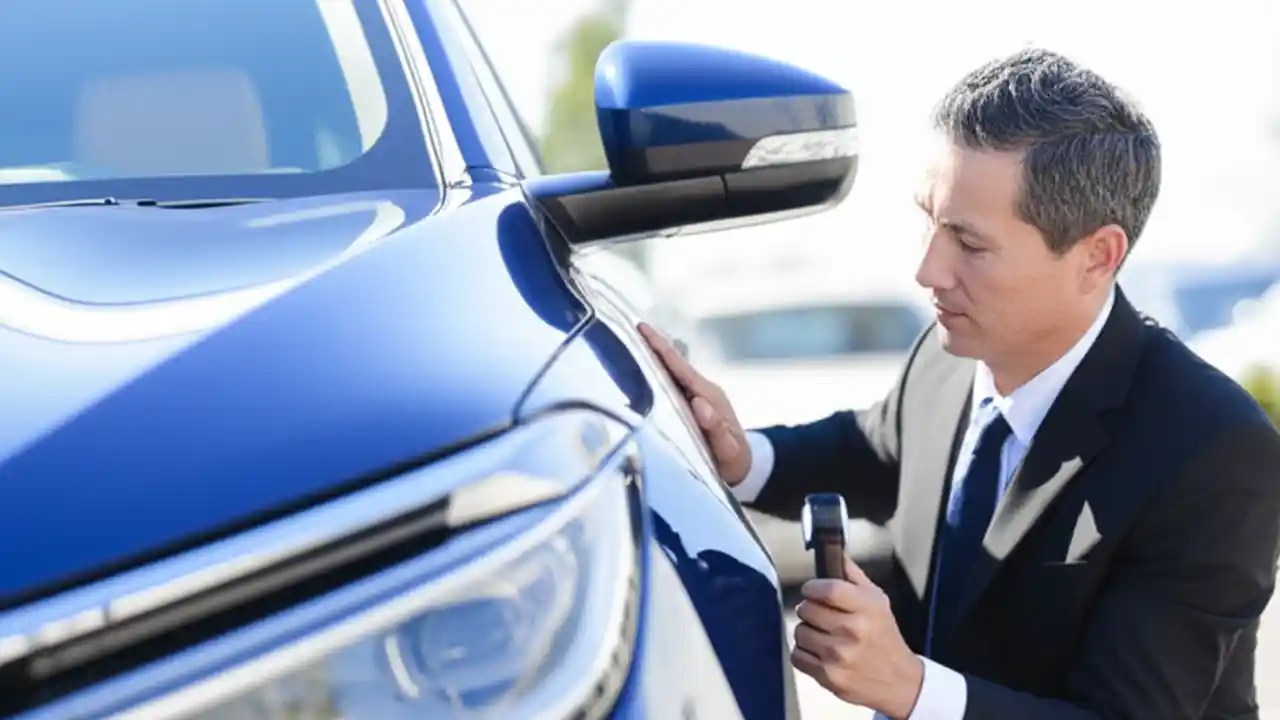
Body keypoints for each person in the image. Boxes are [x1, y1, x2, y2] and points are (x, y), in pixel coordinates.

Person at [638, 47, 1280, 719]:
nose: (928, 270)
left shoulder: (1212, 450)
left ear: (1098, 256)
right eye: (929, 218)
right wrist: (743, 456)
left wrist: (909, 687)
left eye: (969, 244)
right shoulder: (951, 352)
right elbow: (877, 448)